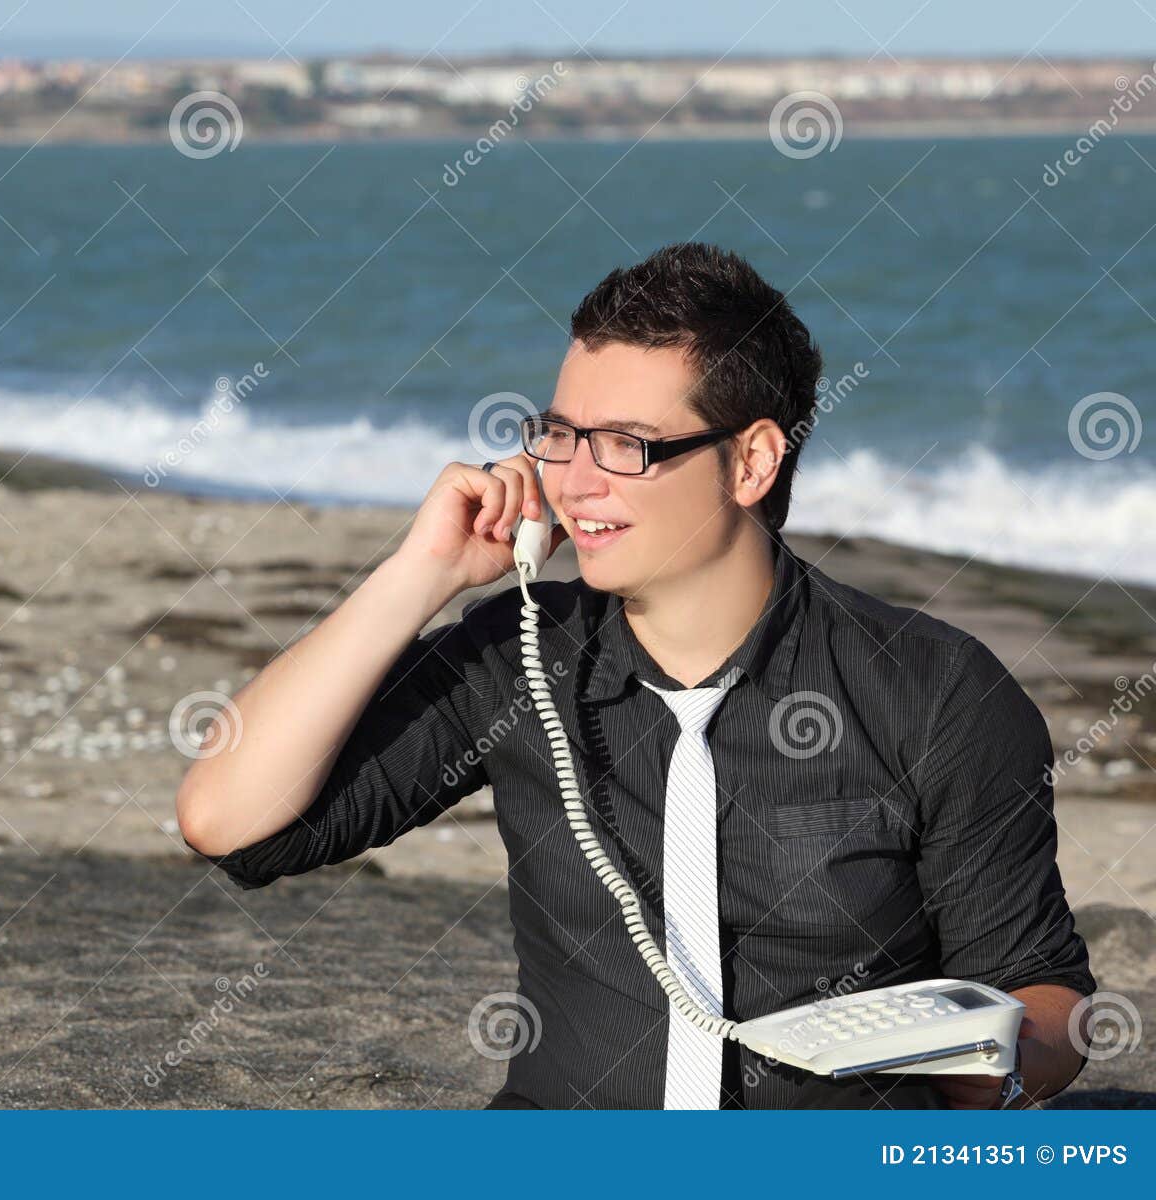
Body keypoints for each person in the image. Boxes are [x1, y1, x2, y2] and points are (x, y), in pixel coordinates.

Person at [175, 242, 1096, 1109]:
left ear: (752, 461)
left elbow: (1043, 992)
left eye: (624, 444)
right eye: (561, 435)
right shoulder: (519, 655)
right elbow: (230, 824)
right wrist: (420, 573)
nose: (575, 484)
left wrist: (978, 1072)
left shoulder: (936, 693)